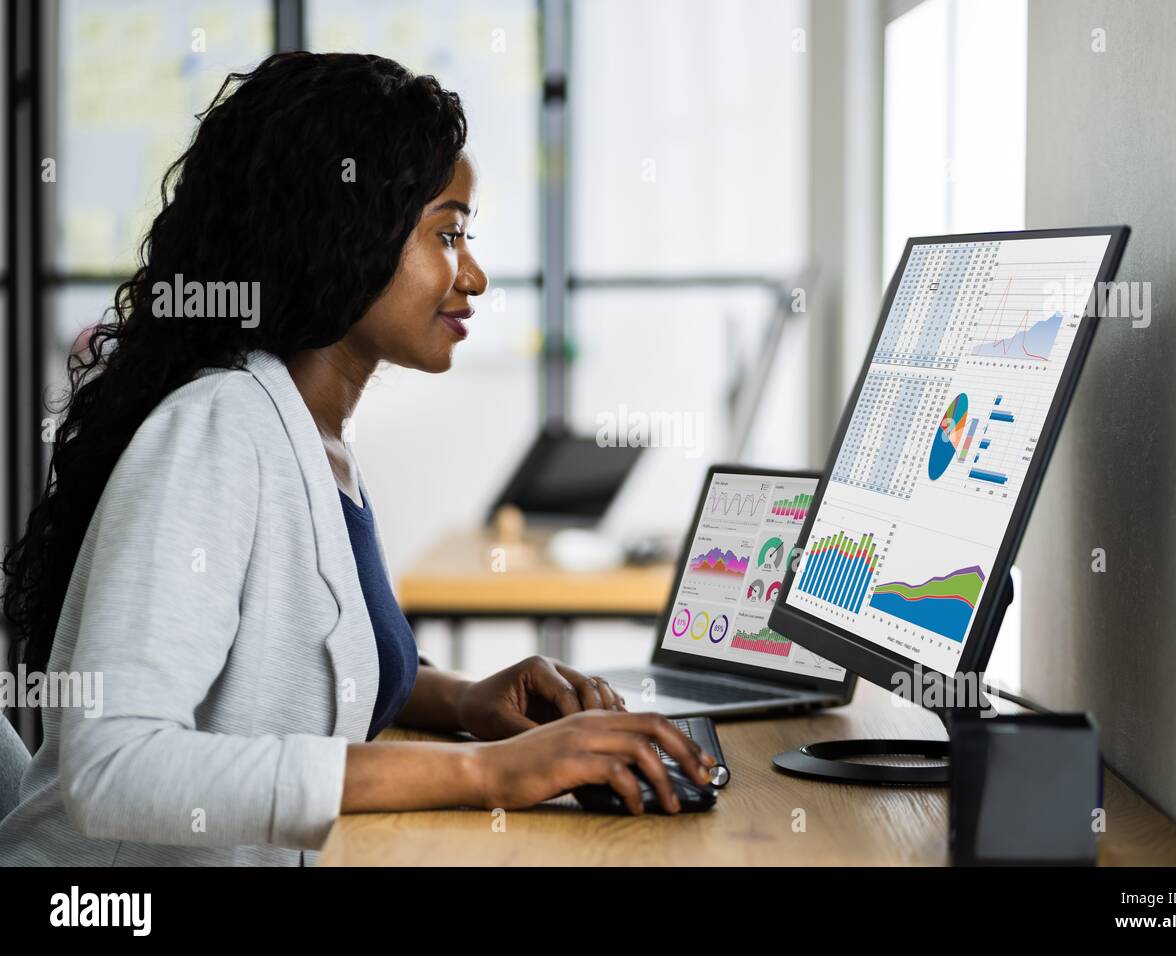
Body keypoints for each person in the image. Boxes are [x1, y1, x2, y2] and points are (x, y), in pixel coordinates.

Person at [0, 52, 713, 867]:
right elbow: (115, 768)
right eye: (447, 233)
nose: (473, 275)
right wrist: (483, 773)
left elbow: (303, 671)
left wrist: (471, 701)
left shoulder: (310, 439)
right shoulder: (220, 429)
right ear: (345, 233)